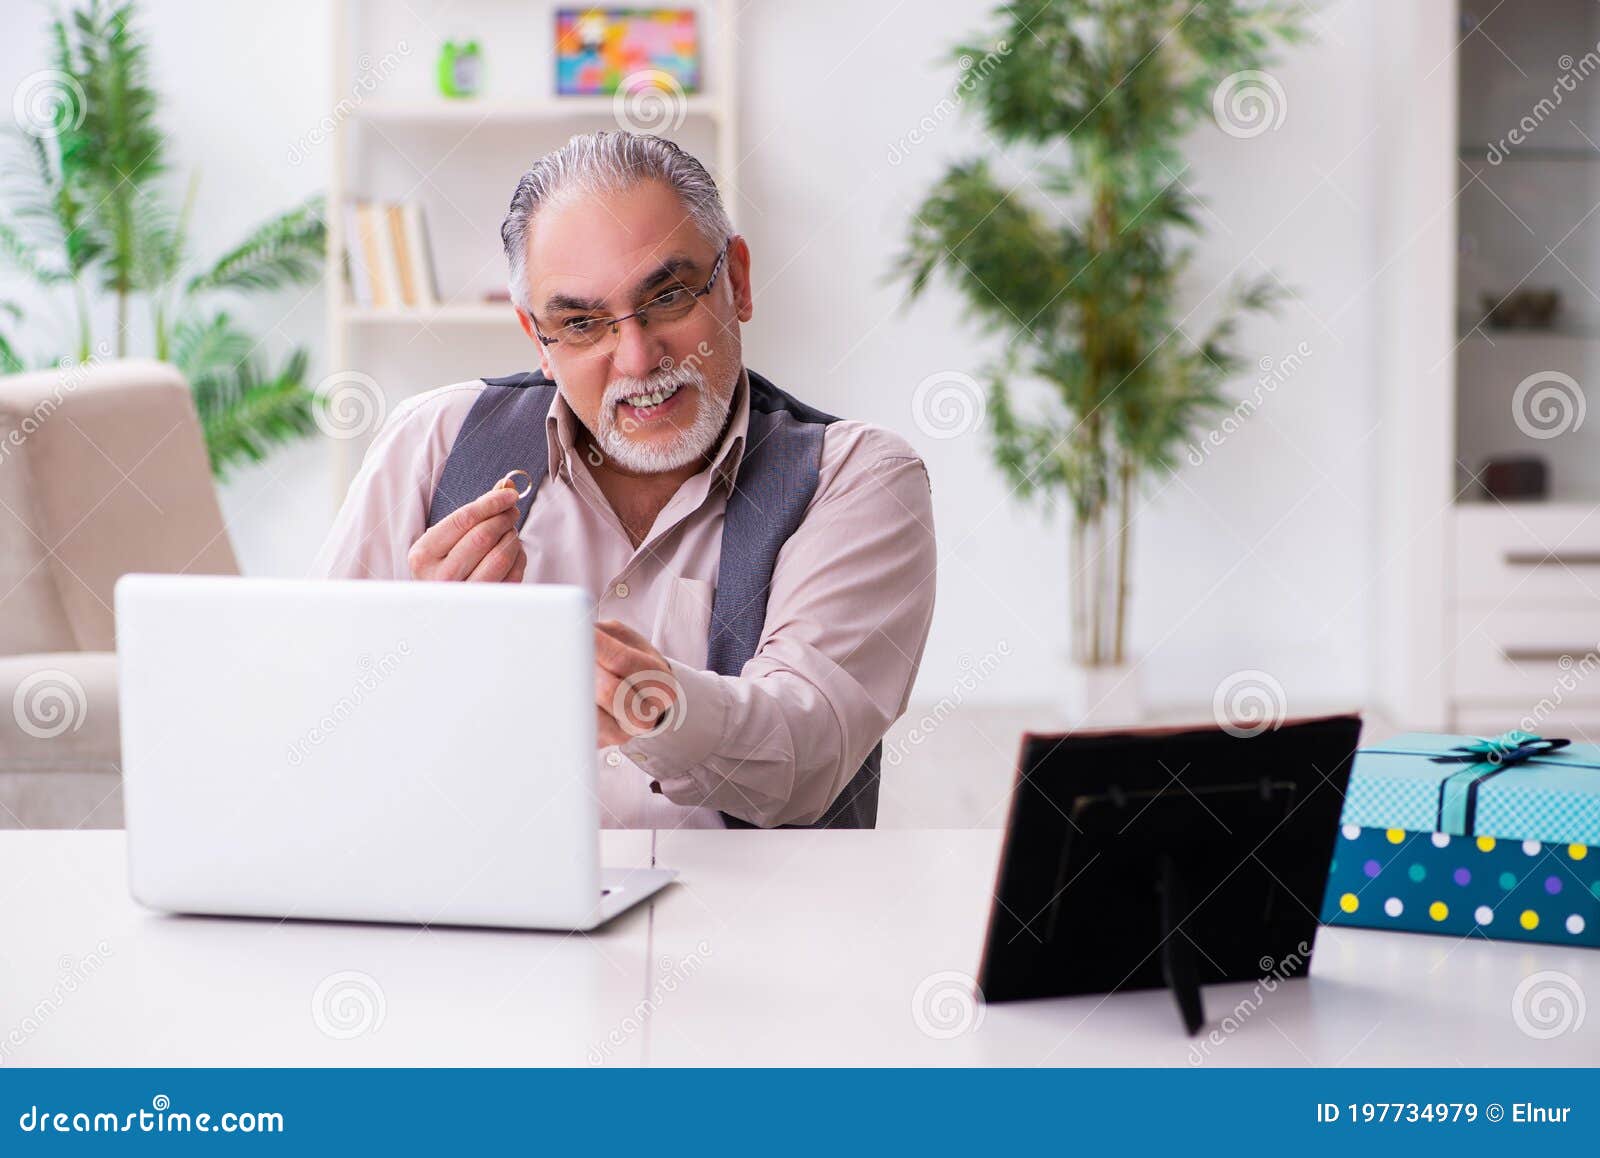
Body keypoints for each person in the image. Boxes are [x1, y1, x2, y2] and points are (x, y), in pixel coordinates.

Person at [312, 131, 936, 829]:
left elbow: (806, 756)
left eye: (668, 297)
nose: (637, 360)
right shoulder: (430, 443)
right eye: (582, 323)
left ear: (737, 281)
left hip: (756, 902)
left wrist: (647, 699)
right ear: (536, 338)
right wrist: (417, 656)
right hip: (484, 897)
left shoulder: (856, 478)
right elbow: (319, 726)